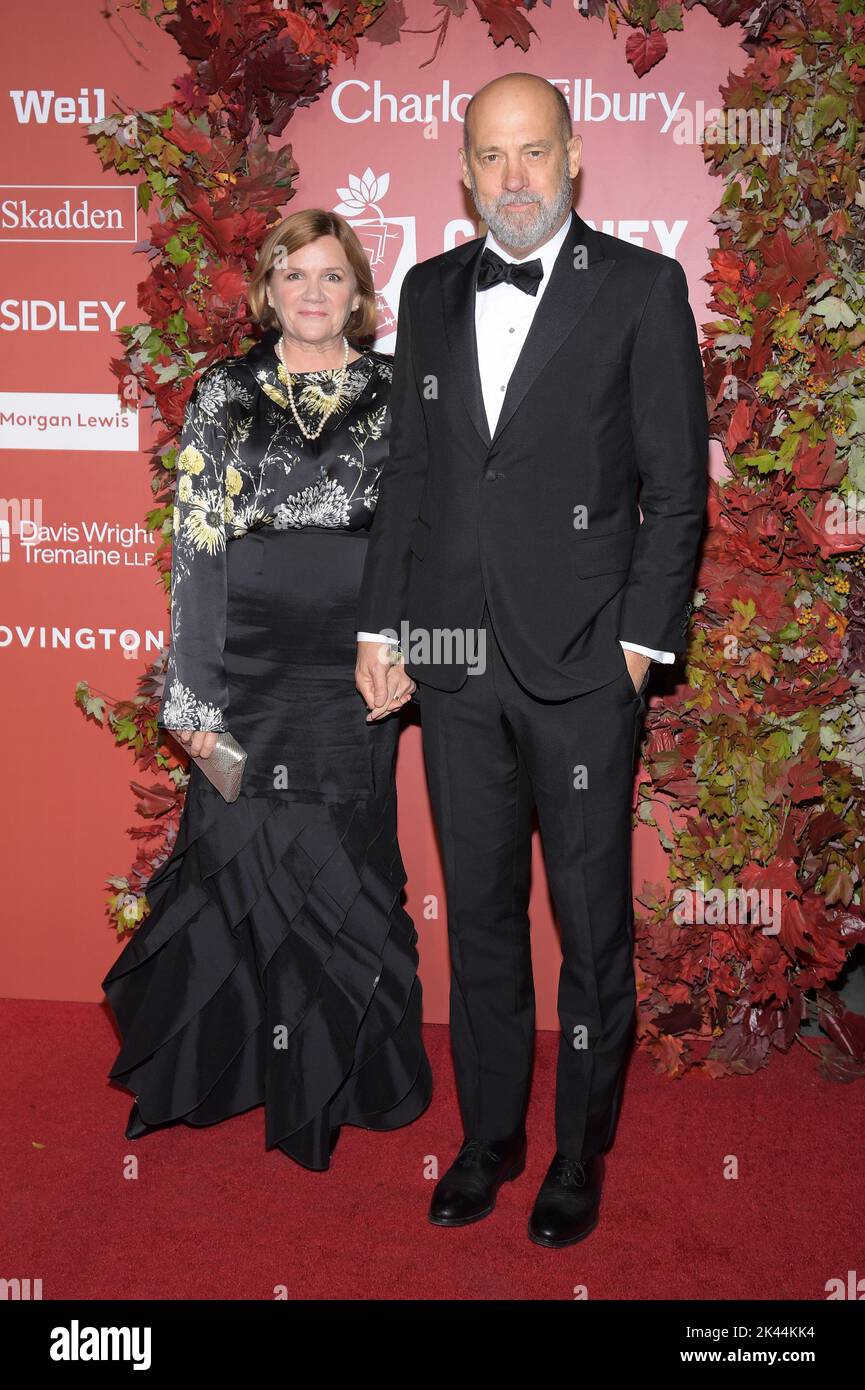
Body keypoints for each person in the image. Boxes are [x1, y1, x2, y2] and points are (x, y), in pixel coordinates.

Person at [356, 72, 708, 1244]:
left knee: (591, 927)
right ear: (464, 172)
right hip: (453, 664)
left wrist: (637, 650)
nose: (512, 178)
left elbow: (675, 490)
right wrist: (381, 626)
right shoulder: (427, 288)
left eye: (532, 153)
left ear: (572, 159)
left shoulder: (643, 291)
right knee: (485, 921)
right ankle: (491, 1135)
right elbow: (410, 476)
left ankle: (577, 1153)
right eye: (490, 157)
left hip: (582, 668)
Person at [103, 209, 431, 1171]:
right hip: (245, 673)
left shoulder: (398, 392)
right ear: (267, 291)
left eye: (333, 276)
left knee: (340, 866)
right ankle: (227, 1073)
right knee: (236, 867)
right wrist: (193, 700)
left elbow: (423, 538)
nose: (315, 293)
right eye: (296, 276)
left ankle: (336, 1082)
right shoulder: (225, 392)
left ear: (360, 293)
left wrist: (405, 643)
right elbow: (196, 549)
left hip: (355, 673)